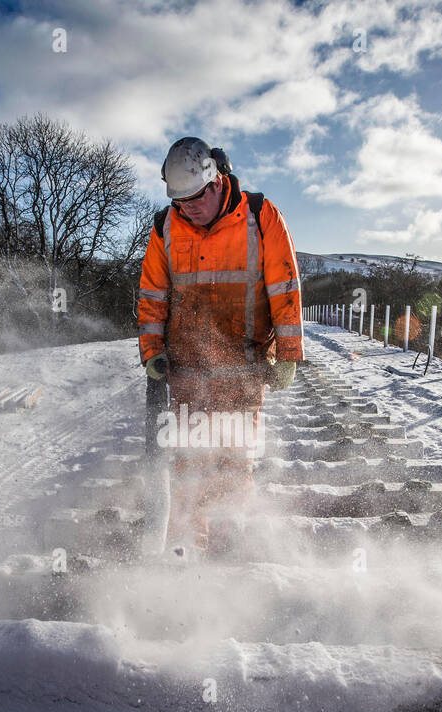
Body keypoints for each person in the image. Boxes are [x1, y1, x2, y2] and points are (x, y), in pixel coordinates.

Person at [137, 137, 304, 553]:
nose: (187, 208)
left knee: (233, 462)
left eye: (194, 199)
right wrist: (152, 350)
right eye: (180, 202)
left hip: (244, 366)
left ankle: (228, 552)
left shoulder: (259, 216)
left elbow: (285, 287)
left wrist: (288, 355)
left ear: (216, 182)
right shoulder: (165, 227)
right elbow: (153, 294)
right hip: (188, 367)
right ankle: (184, 551)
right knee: (188, 461)